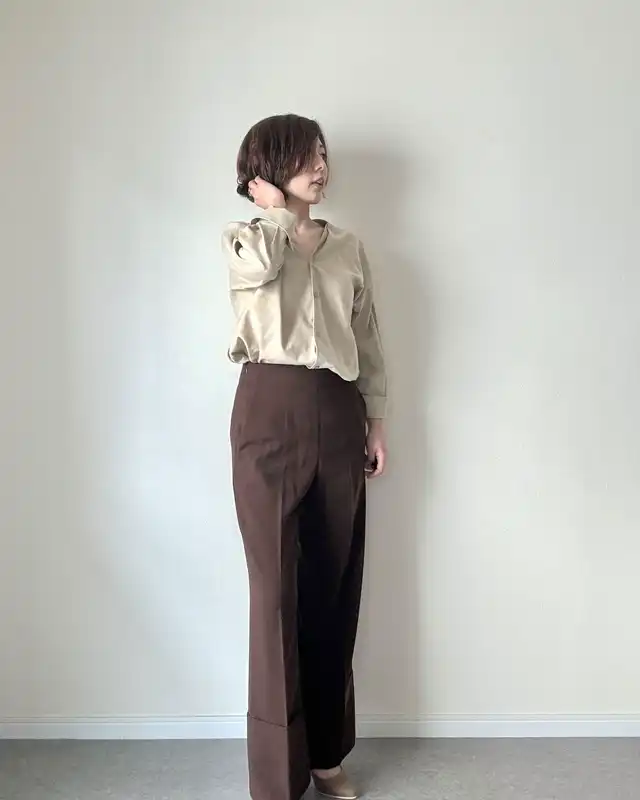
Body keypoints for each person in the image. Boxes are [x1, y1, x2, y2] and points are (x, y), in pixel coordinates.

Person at [223, 114, 387, 800]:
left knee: (332, 584)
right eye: (305, 156)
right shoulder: (247, 240)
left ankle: (325, 756)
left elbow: (367, 338)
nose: (321, 167)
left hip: (339, 412)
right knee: (274, 594)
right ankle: (276, 775)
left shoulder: (348, 248)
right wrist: (272, 212)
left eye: (323, 154)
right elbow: (261, 270)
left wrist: (375, 419)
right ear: (269, 169)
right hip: (268, 412)